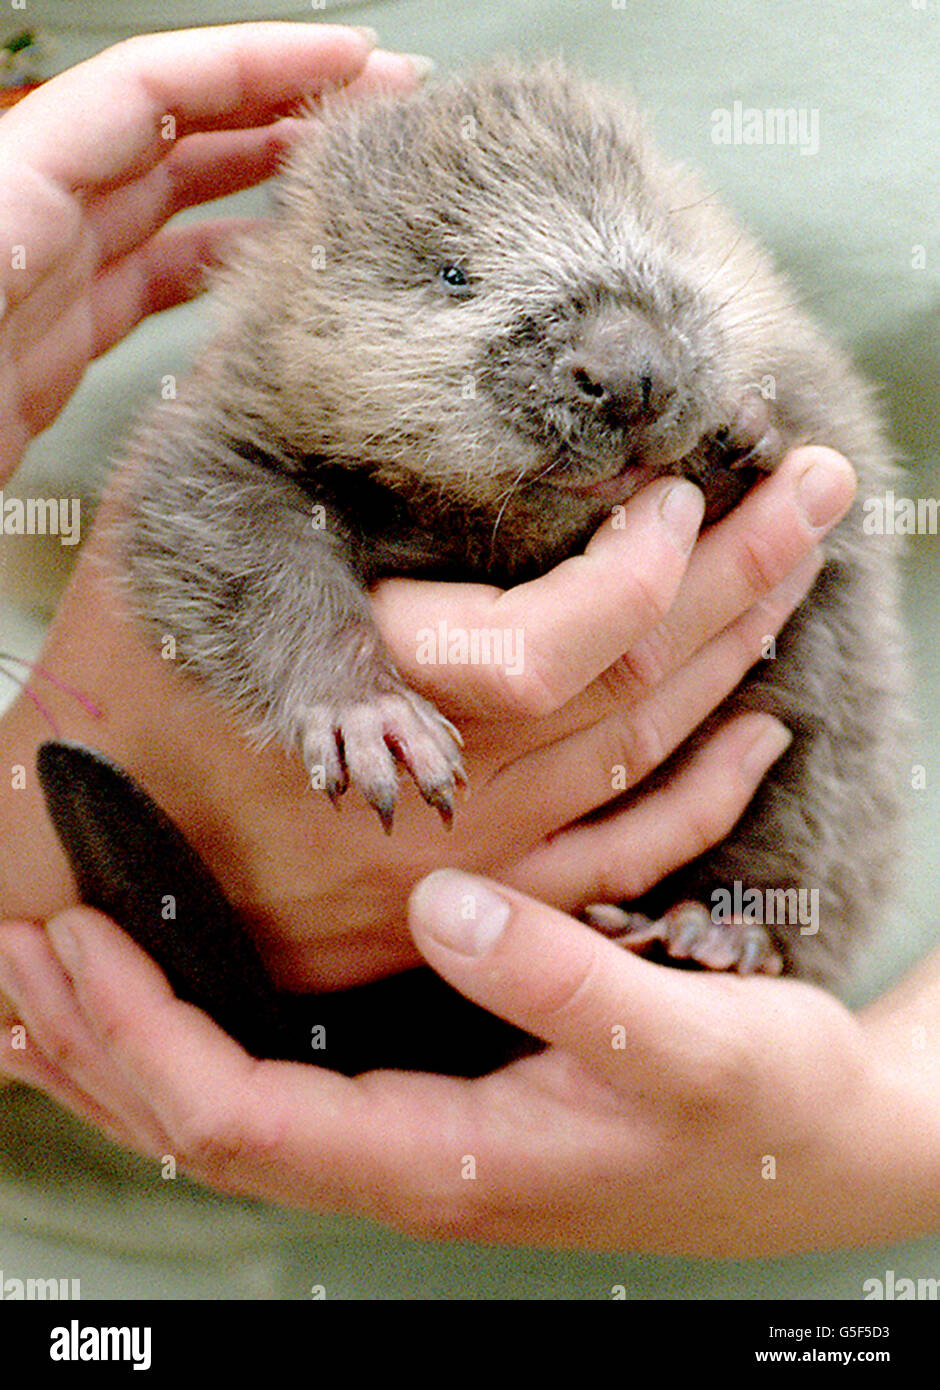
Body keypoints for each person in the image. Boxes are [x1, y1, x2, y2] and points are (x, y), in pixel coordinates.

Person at [0, 22, 935, 1257]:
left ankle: (741, 920)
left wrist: (880, 1131)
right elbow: (216, 505)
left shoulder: (756, 381)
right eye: (458, 280)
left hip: (805, 1132)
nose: (624, 374)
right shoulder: (259, 416)